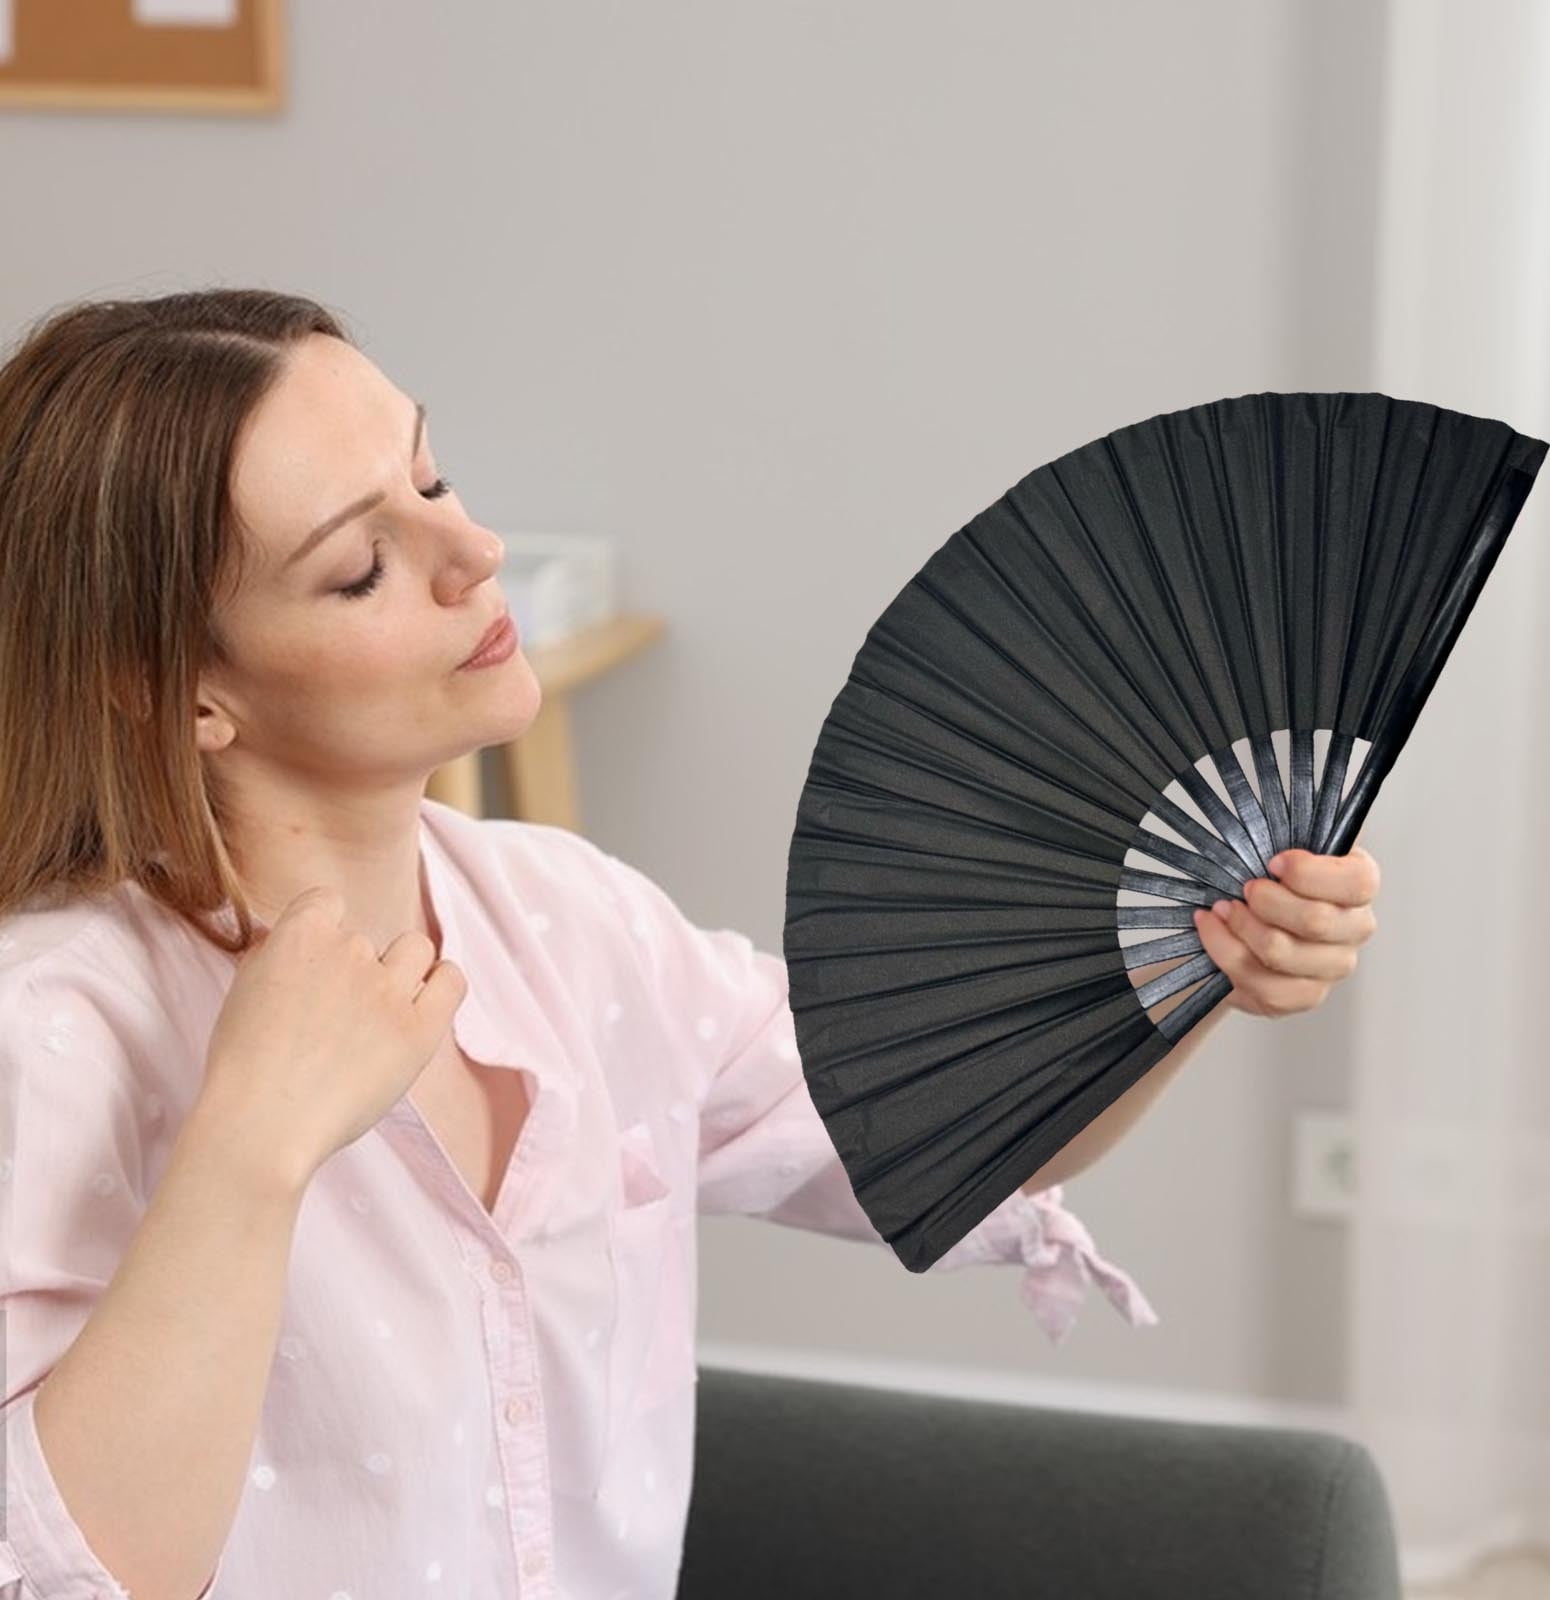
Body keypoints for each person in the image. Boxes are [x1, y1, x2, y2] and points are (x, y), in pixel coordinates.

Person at [0, 289, 1168, 1600]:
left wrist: (1197, 954)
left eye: (433, 476)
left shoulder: (570, 918)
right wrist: (248, 1153)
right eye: (358, 566)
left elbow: (944, 1116)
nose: (474, 550)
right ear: (178, 688)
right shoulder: (49, 1034)